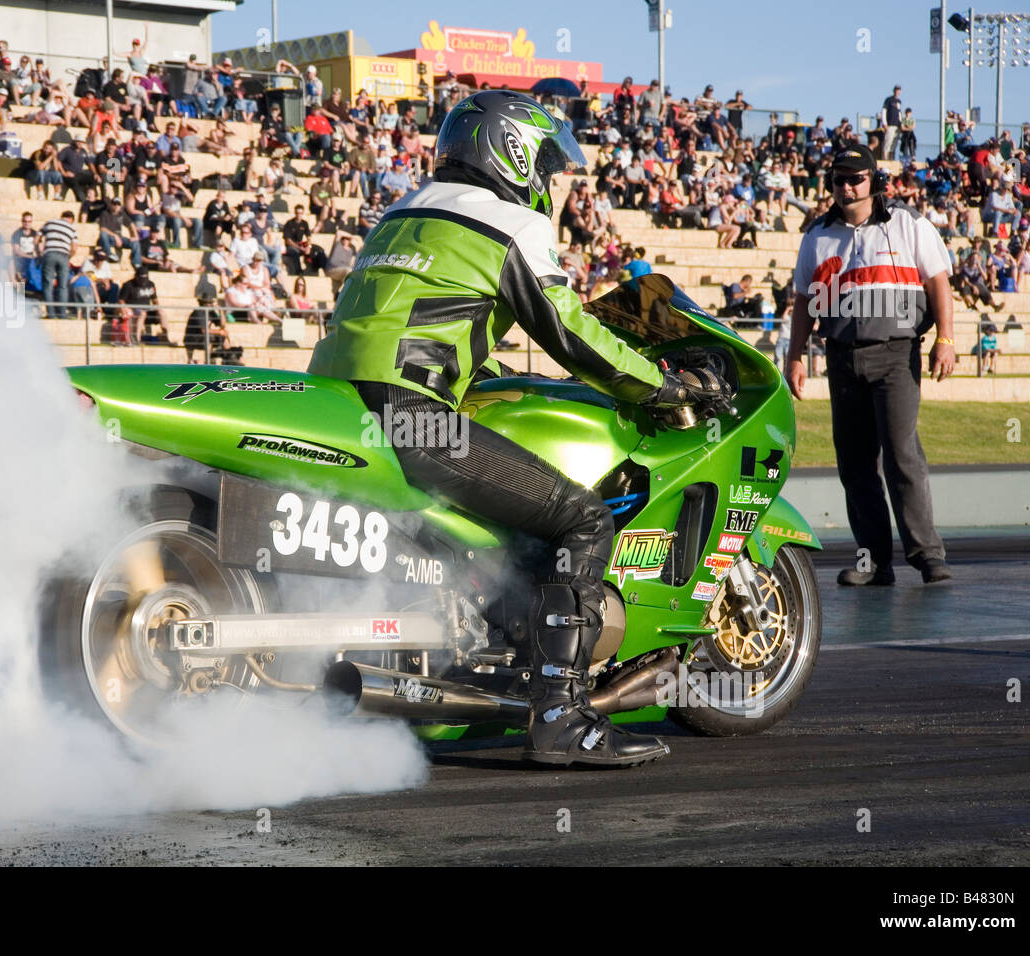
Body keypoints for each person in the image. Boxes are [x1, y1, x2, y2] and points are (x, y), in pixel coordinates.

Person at [308, 90, 727, 769]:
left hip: (341, 409)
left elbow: (419, 317)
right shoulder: (510, 225)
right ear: (516, 153)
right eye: (548, 165)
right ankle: (563, 716)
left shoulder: (402, 212)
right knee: (584, 520)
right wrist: (665, 385)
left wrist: (487, 363)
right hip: (412, 419)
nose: (550, 183)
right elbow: (574, 335)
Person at [785, 144, 954, 586]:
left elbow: (938, 279)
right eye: (839, 178)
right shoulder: (817, 235)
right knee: (855, 463)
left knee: (901, 453)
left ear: (874, 181)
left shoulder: (908, 223)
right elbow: (804, 300)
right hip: (841, 358)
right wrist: (796, 355)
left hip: (896, 354)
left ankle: (928, 555)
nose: (846, 186)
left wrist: (946, 339)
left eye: (855, 178)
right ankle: (874, 563)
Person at [41, 210, 79, 318]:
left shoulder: (50, 223)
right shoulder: (72, 228)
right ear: (71, 220)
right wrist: (68, 257)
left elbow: (37, 239)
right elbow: (74, 248)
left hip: (50, 254)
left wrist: (40, 253)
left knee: (48, 286)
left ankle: (51, 314)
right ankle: (62, 315)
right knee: (63, 287)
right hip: (63, 256)